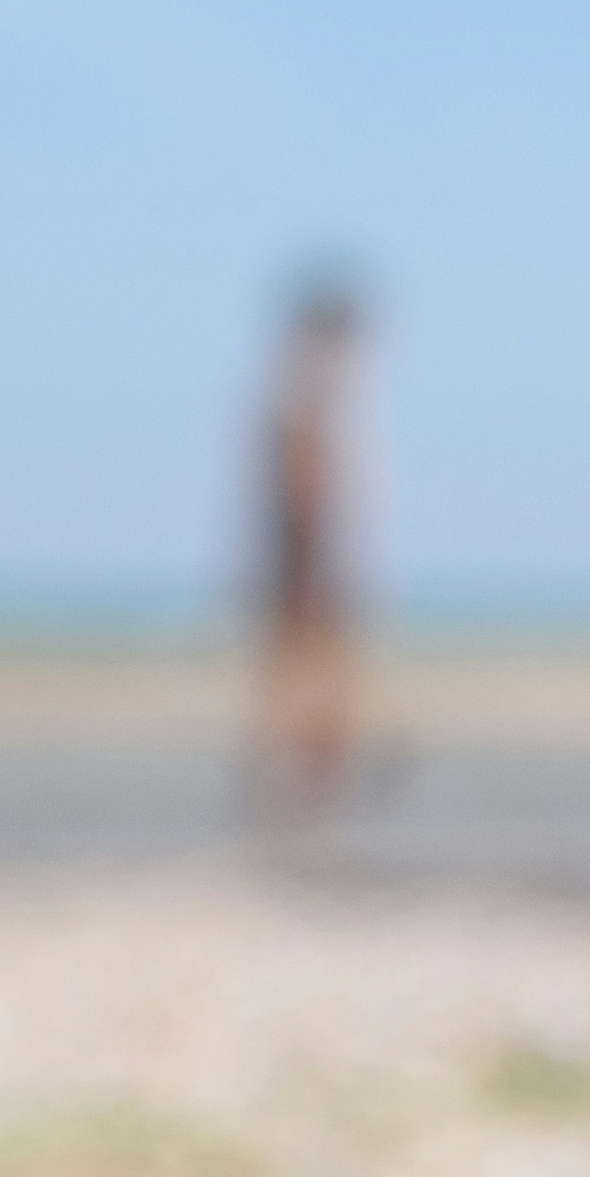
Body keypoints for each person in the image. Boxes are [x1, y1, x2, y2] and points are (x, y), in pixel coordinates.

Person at [247, 267, 374, 851]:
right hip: (308, 577)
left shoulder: (312, 406)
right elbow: (302, 503)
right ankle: (299, 812)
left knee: (305, 693)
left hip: (309, 573)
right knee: (311, 695)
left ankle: (302, 811)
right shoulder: (304, 408)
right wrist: (310, 577)